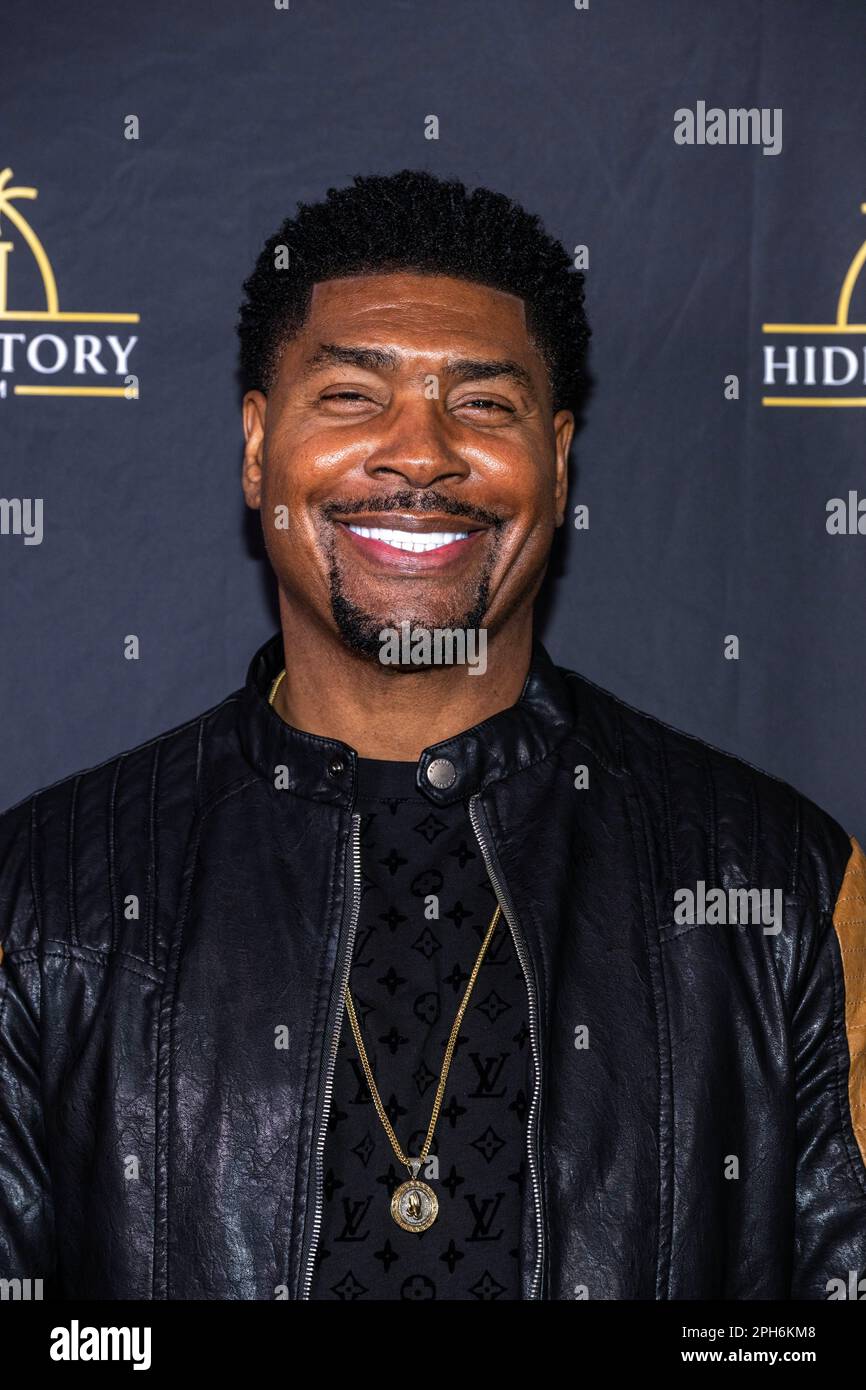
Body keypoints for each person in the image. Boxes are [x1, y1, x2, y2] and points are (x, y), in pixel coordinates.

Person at [1, 170, 864, 1301]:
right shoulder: (41, 895)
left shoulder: (785, 886)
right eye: (353, 396)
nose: (420, 454)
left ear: (556, 462)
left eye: (484, 404)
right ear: (258, 447)